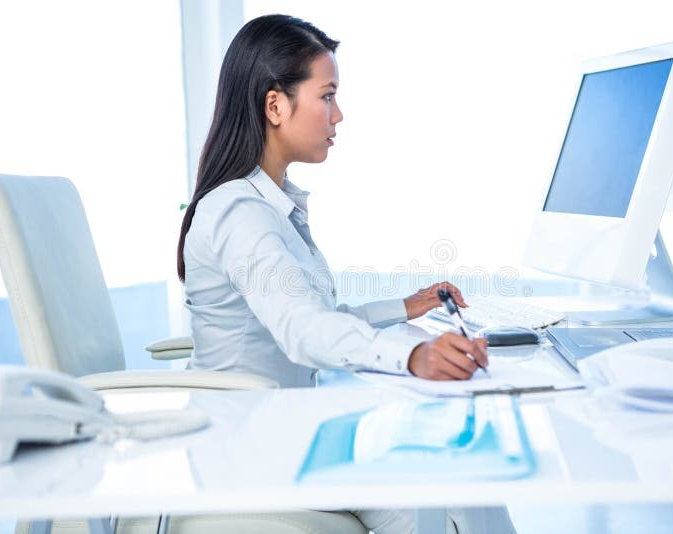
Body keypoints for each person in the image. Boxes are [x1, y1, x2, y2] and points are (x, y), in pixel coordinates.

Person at [177, 14, 515, 534]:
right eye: (327, 96)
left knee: (464, 482)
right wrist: (412, 355)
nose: (339, 115)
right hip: (247, 448)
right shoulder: (238, 213)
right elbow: (302, 330)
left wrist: (406, 308)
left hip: (280, 431)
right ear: (275, 106)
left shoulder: (268, 205)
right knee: (451, 493)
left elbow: (316, 316)